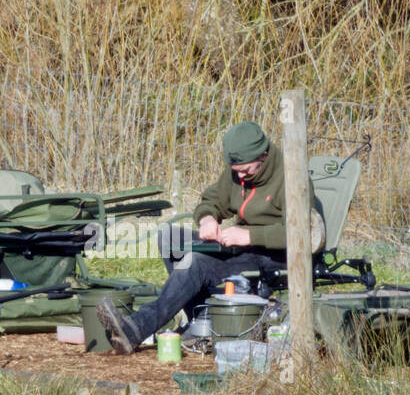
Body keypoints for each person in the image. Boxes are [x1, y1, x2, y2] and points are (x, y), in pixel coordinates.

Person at [95, 120, 322, 355]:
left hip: (275, 255)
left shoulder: (291, 178)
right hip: (241, 248)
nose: (241, 177)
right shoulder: (238, 172)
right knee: (170, 237)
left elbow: (302, 233)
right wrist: (207, 219)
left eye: (246, 171)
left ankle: (134, 329)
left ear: (263, 156)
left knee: (196, 262)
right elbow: (212, 200)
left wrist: (249, 235)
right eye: (236, 172)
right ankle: (202, 319)